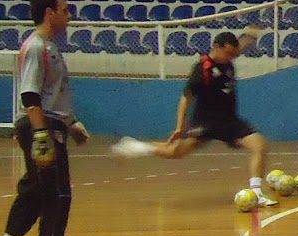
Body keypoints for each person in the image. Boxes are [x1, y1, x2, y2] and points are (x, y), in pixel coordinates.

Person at [110, 30, 276, 208]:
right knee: (176, 152)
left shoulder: (228, 58)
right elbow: (186, 97)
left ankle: (257, 193)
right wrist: (179, 127)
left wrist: (250, 36)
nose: (231, 57)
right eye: (227, 53)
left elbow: (238, 49)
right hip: (205, 121)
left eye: (232, 53)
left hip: (229, 121)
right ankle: (136, 146)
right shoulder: (202, 69)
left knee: (259, 144)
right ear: (216, 47)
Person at [0, 0, 89, 236]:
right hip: (41, 126)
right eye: (65, 10)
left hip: (52, 123)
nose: (69, 16)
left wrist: (71, 122)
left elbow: (53, 93)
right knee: (57, 191)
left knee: (34, 188)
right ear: (50, 13)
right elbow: (31, 95)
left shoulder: (50, 47)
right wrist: (42, 135)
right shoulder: (36, 47)